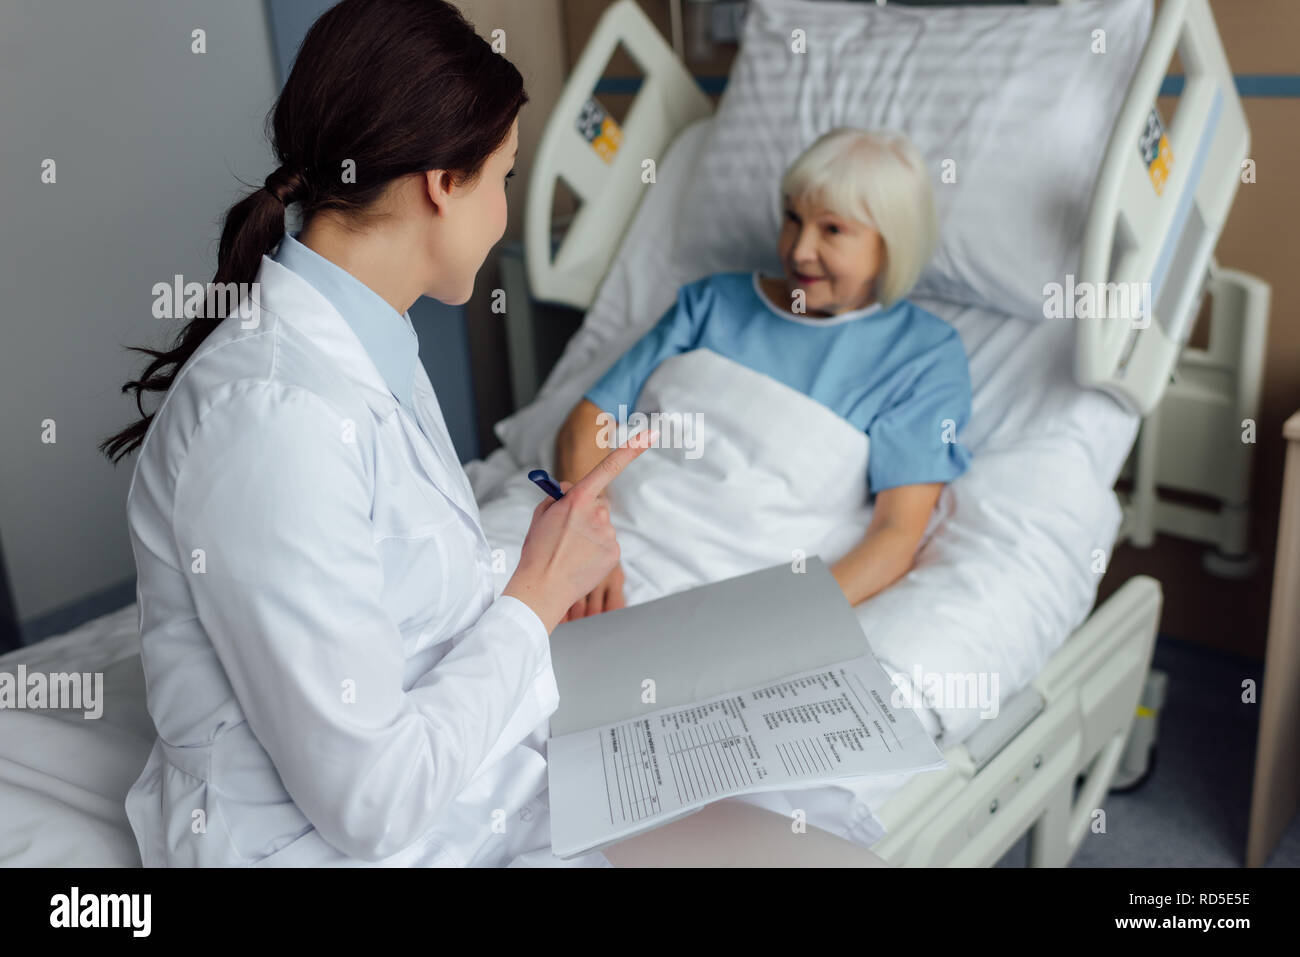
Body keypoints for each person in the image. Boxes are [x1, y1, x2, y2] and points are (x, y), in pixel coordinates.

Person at [100, 0, 649, 867]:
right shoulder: (270, 421)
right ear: (444, 182)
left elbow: (391, 584)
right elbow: (374, 804)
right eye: (504, 179)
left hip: (461, 797)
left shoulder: (364, 340)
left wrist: (540, 559)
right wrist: (535, 597)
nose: (504, 212)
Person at [554, 128, 972, 620]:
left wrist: (779, 622)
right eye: (793, 220)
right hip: (612, 541)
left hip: (729, 586)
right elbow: (587, 426)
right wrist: (590, 550)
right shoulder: (711, 304)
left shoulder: (923, 356)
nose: (798, 251)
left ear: (891, 244)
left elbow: (895, 535)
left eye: (832, 230)